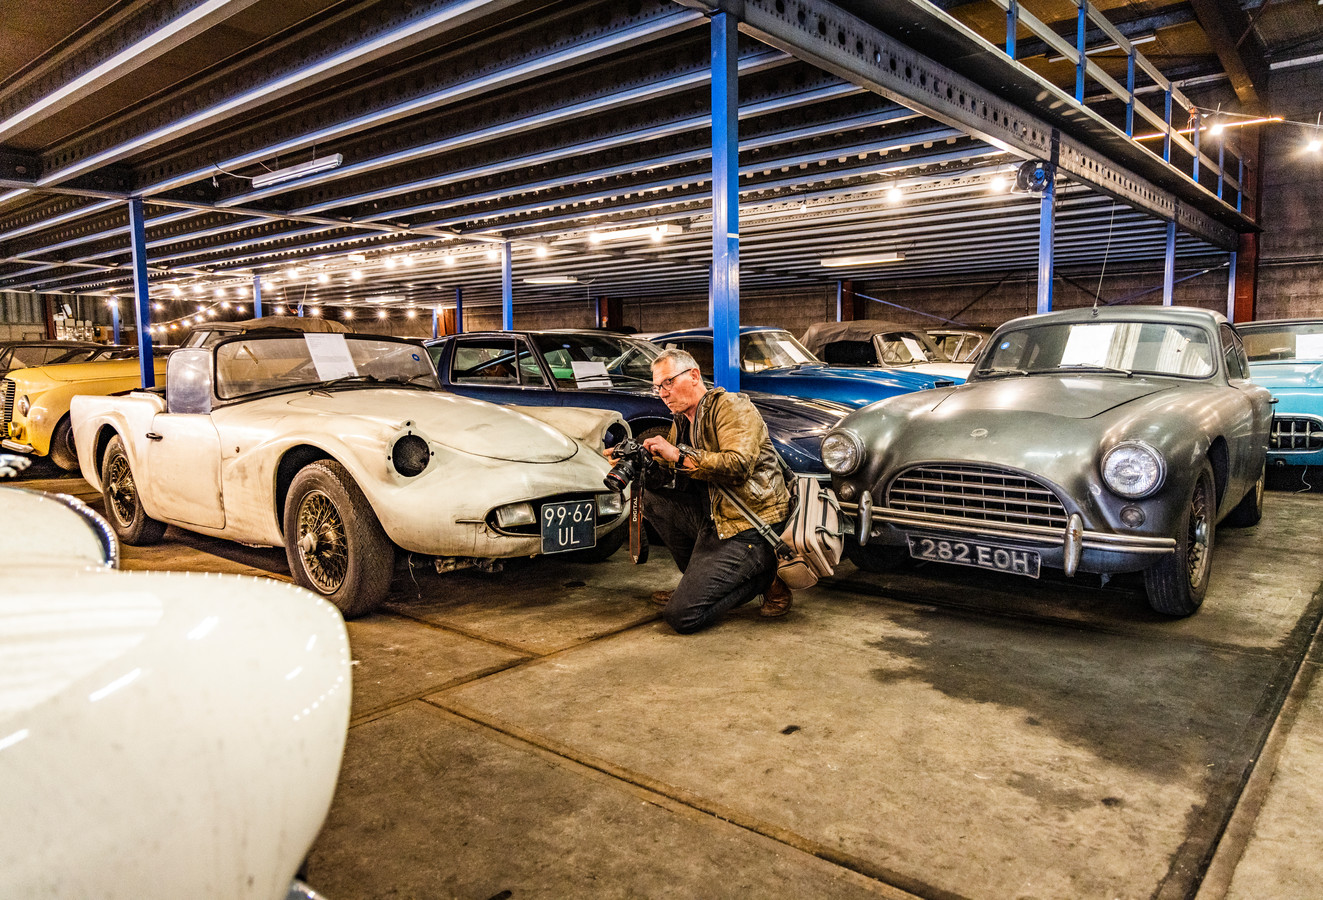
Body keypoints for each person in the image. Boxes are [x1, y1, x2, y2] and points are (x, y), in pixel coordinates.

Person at [628, 348, 793, 634]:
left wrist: (677, 455)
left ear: (693, 375)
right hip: (715, 518)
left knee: (682, 617)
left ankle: (765, 576)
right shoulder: (682, 420)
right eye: (658, 387)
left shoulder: (731, 407)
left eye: (668, 382)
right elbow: (667, 474)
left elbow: (738, 465)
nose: (663, 393)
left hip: (750, 524)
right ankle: (700, 584)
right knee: (653, 500)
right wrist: (639, 463)